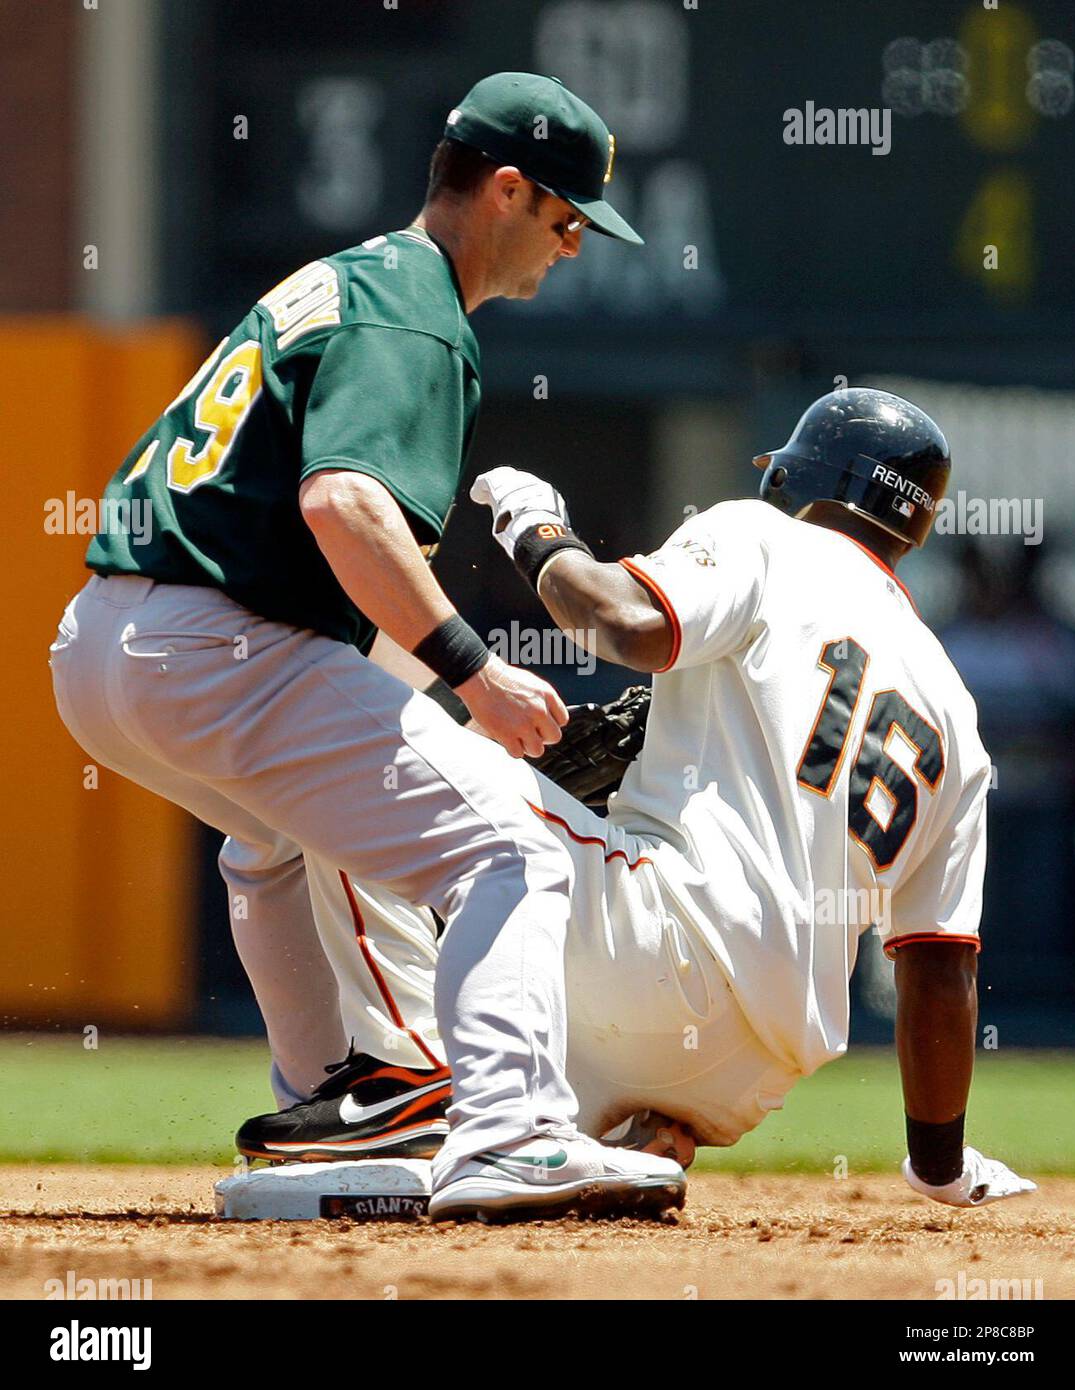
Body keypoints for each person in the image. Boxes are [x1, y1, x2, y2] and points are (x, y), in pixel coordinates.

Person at [49, 73, 658, 1176]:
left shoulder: (345, 280)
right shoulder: (417, 312)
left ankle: (334, 1105)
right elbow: (343, 506)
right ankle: (505, 1130)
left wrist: (439, 709)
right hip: (217, 643)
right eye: (567, 220)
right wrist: (477, 678)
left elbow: (336, 570)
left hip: (105, 647)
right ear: (507, 191)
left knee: (281, 837)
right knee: (511, 844)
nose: (573, 247)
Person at [243, 388, 1037, 1225]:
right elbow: (940, 968)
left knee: (353, 764)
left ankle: (401, 1098)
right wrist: (939, 1166)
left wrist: (535, 528)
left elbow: (619, 620)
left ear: (805, 480)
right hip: (750, 1077)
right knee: (501, 1122)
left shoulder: (771, 539)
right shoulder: (954, 709)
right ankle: (608, 1142)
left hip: (654, 947)